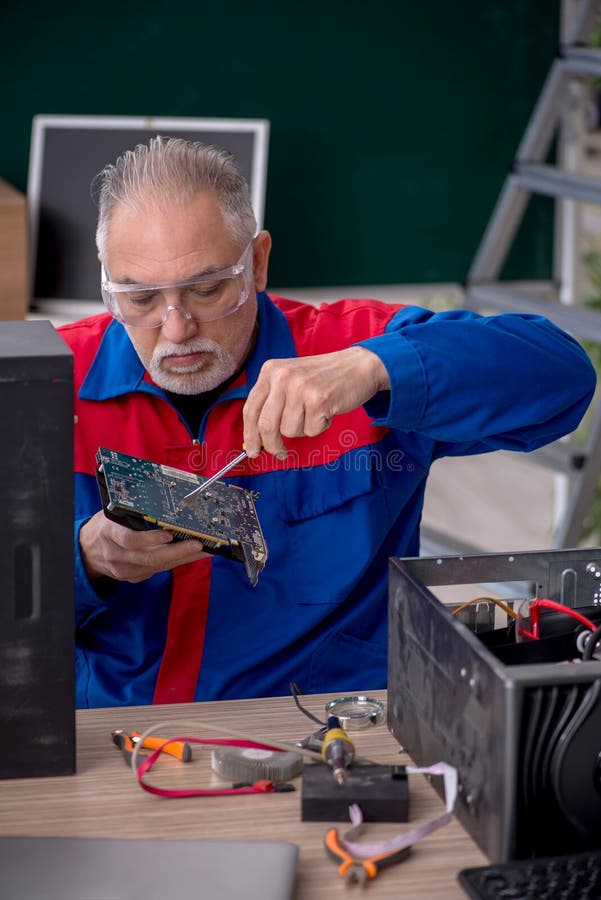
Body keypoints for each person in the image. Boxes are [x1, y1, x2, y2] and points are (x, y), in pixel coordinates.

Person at [60, 136, 596, 709]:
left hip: (319, 727)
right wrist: (83, 561)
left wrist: (377, 367)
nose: (176, 329)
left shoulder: (352, 349)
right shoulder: (49, 383)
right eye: (139, 298)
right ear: (106, 279)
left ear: (258, 263)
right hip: (108, 734)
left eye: (207, 289)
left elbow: (563, 375)